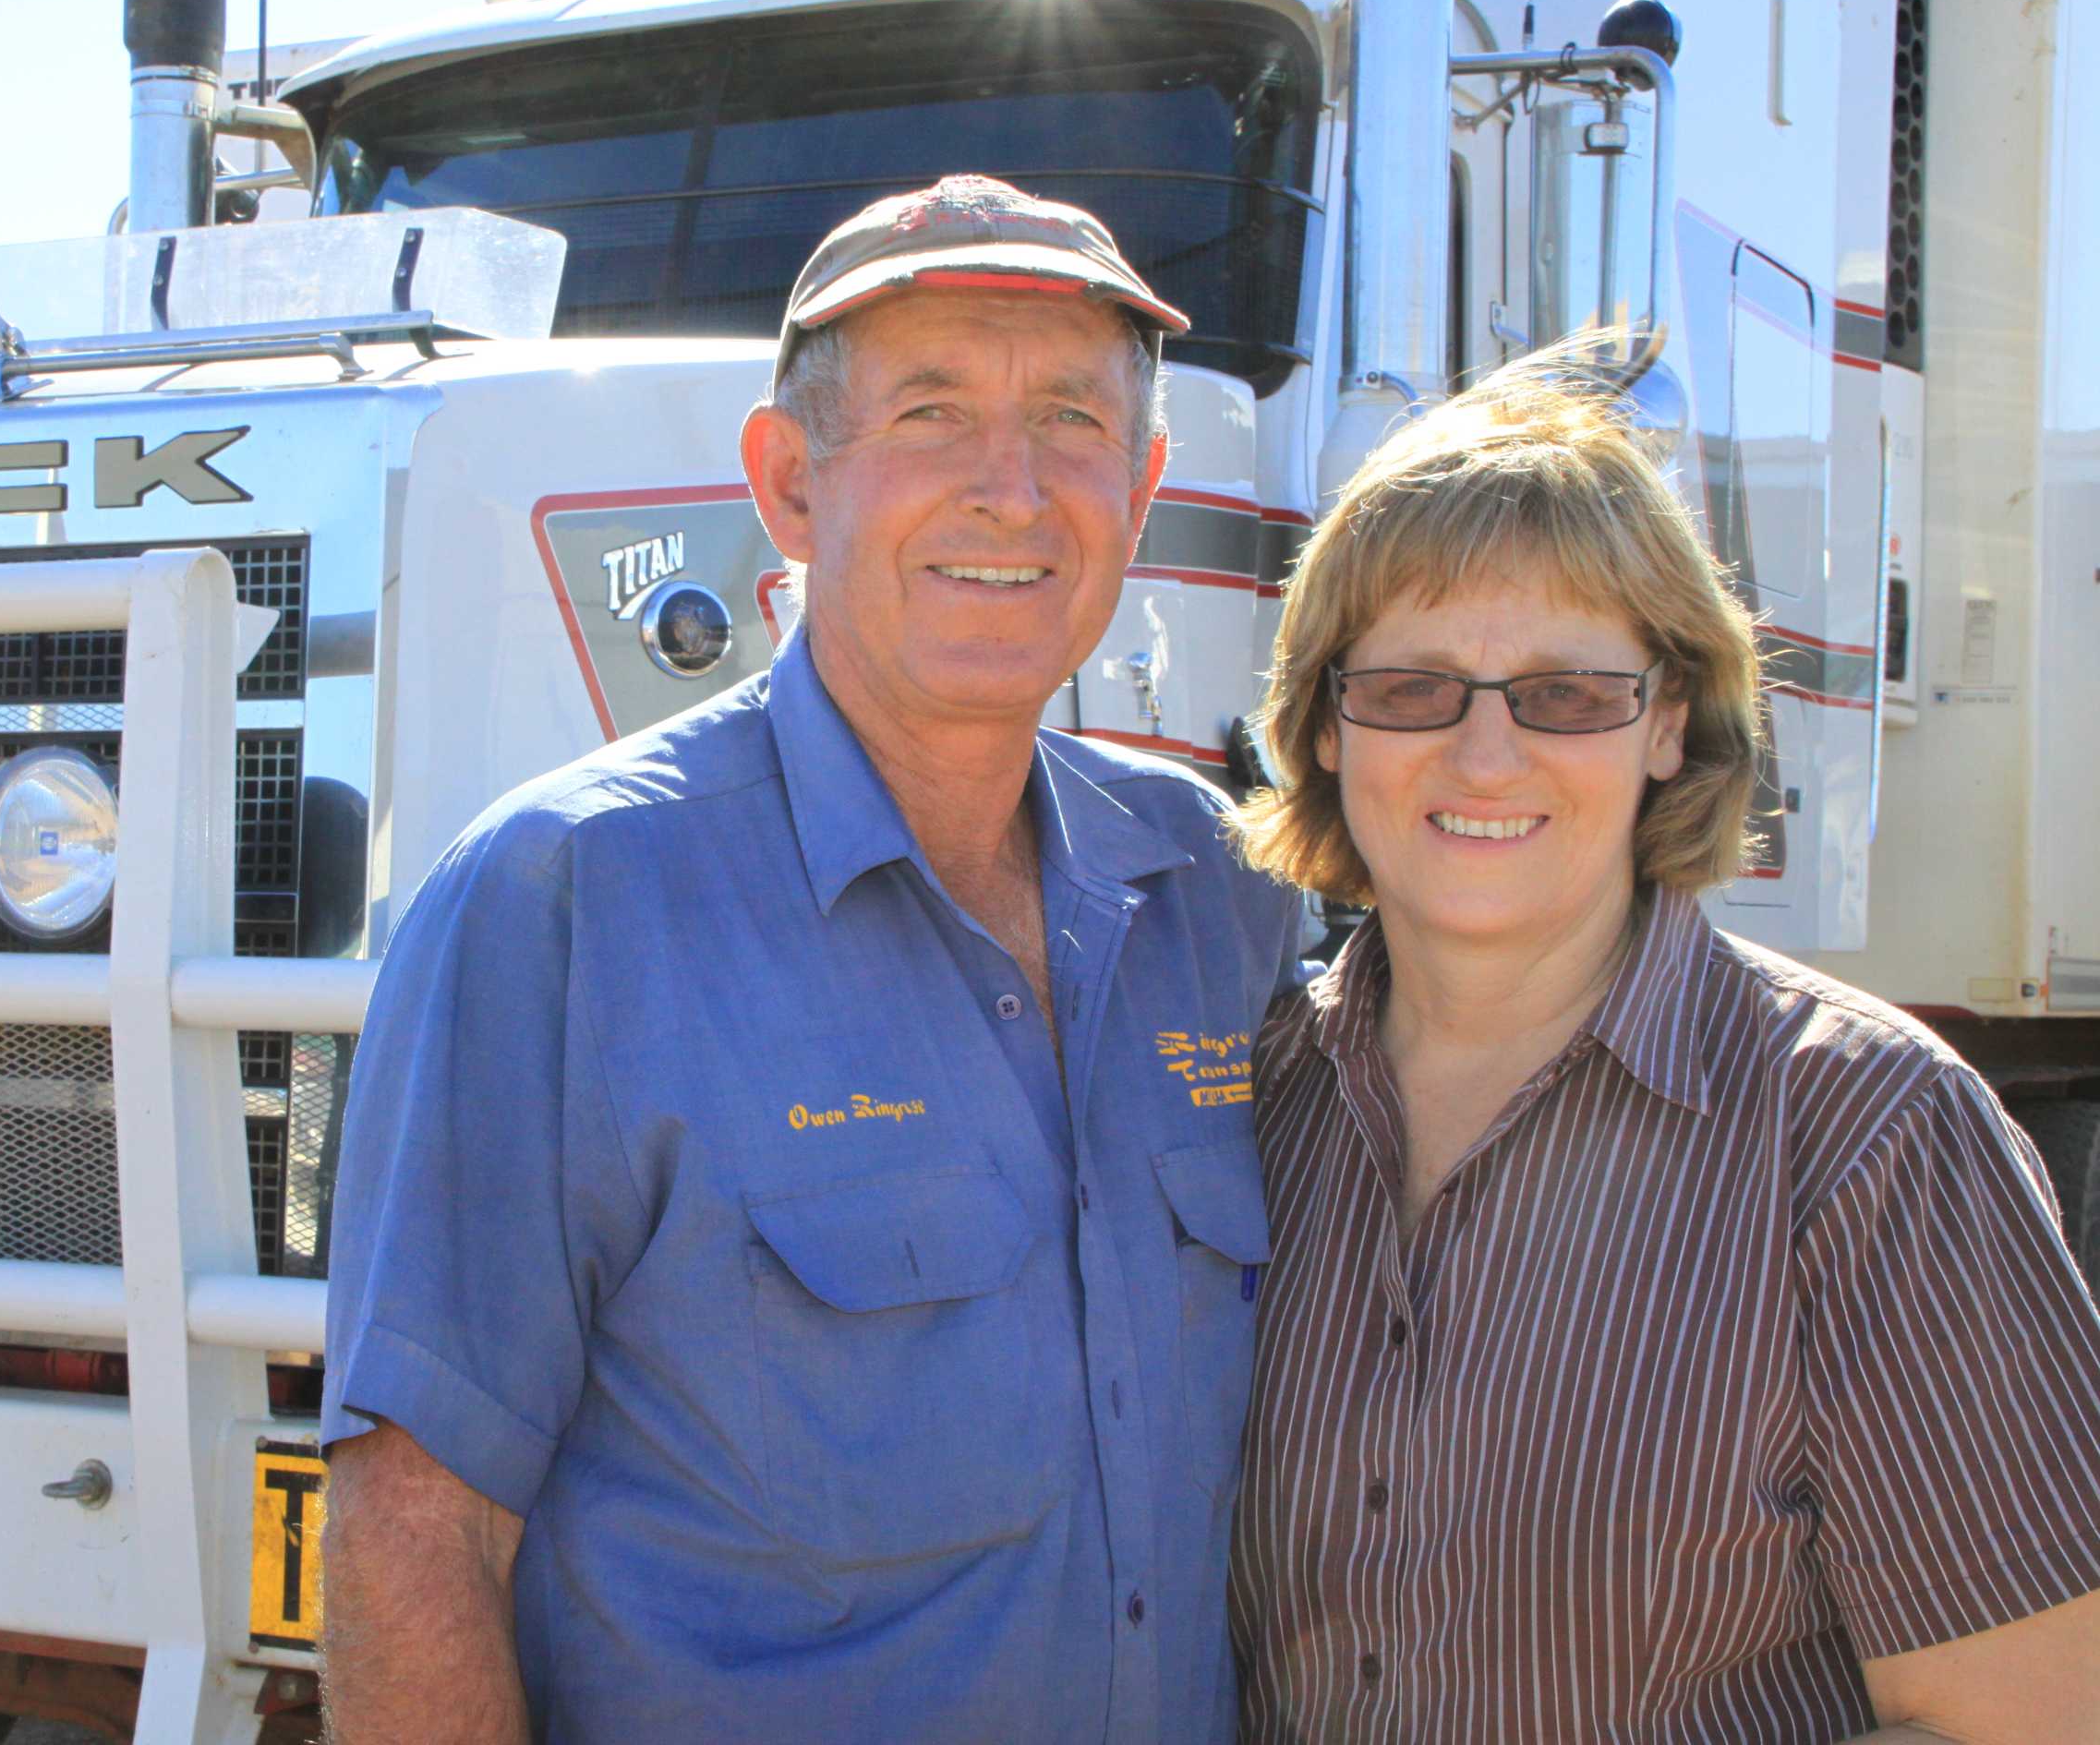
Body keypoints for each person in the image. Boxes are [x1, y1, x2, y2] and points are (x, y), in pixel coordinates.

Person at [320, 175, 1302, 1744]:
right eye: (928, 414)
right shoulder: (565, 901)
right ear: (787, 483)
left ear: (1146, 480)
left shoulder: (1219, 890)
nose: (1011, 488)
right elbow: (412, 1536)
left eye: (1072, 420)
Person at [1225, 348, 2100, 1741]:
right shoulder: (1242, 1111)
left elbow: (2033, 1718)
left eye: (1568, 695)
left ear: (1669, 725)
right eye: (1412, 688)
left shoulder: (1866, 1135)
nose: (1487, 753)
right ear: (1327, 727)